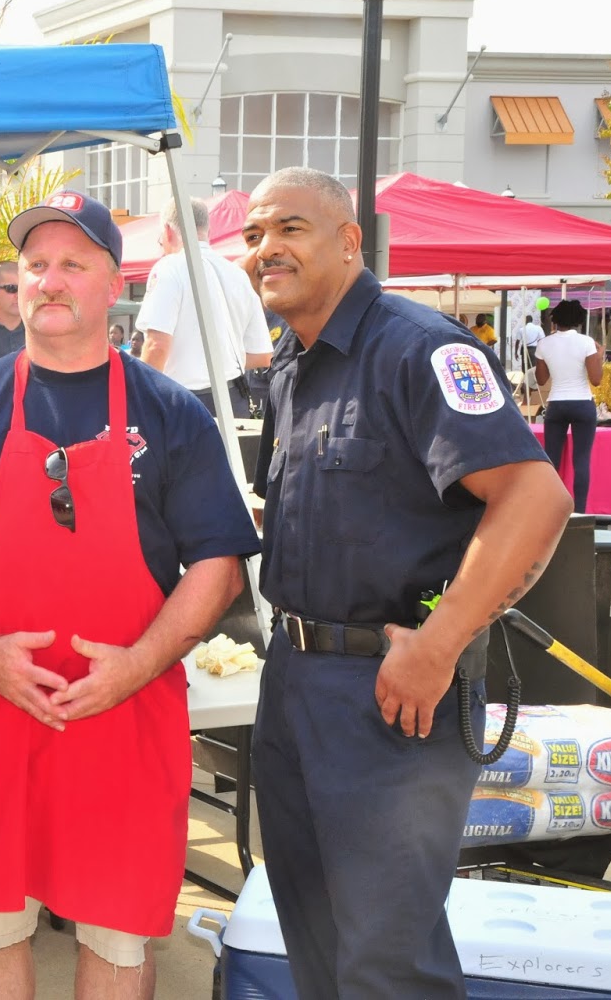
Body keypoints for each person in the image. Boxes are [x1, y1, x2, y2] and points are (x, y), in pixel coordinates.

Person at [0, 190, 257, 1000]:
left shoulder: (172, 415)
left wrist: (137, 664)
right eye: (34, 266)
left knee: (119, 937)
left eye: (72, 264)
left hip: (127, 717)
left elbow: (218, 564)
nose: (49, 281)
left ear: (111, 284)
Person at [244, 167, 572, 1000]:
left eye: (289, 228)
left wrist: (442, 640)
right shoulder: (293, 364)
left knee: (389, 962)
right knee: (314, 941)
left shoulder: (418, 347)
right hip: (295, 681)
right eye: (252, 236)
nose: (266, 249)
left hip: (392, 694)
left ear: (349, 242)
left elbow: (534, 498)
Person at [138, 197, 272, 418]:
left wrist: (139, 398)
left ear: (168, 231)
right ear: (206, 231)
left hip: (181, 401)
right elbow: (262, 355)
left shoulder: (170, 267)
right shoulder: (236, 274)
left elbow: (156, 345)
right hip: (233, 398)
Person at [534, 298, 603, 514]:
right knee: (581, 460)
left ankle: (548, 508)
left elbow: (541, 379)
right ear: (579, 320)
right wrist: (599, 356)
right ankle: (580, 512)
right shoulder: (587, 342)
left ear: (555, 320)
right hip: (582, 402)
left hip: (557, 404)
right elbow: (596, 379)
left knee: (551, 459)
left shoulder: (544, 343)